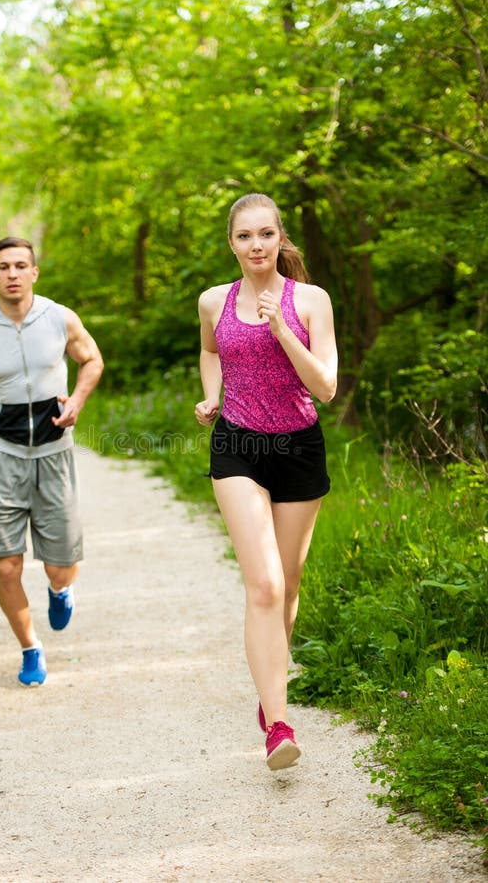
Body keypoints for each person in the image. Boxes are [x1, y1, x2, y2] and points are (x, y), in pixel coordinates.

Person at [195, 193, 337, 770]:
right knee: (265, 587)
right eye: (244, 236)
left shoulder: (310, 300)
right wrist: (212, 395)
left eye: (266, 235)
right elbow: (210, 352)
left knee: (289, 585)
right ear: (231, 243)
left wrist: (282, 329)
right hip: (238, 446)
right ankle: (278, 725)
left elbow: (326, 387)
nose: (256, 246)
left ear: (281, 239)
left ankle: (269, 681)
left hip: (299, 448)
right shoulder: (213, 301)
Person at [0, 237, 104, 687]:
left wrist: (77, 399)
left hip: (54, 456)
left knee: (60, 564)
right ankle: (31, 649)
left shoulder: (59, 319)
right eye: (3, 266)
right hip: (3, 459)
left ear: (34, 272)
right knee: (7, 565)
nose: (12, 273)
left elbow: (92, 361)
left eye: (20, 265)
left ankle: (59, 588)